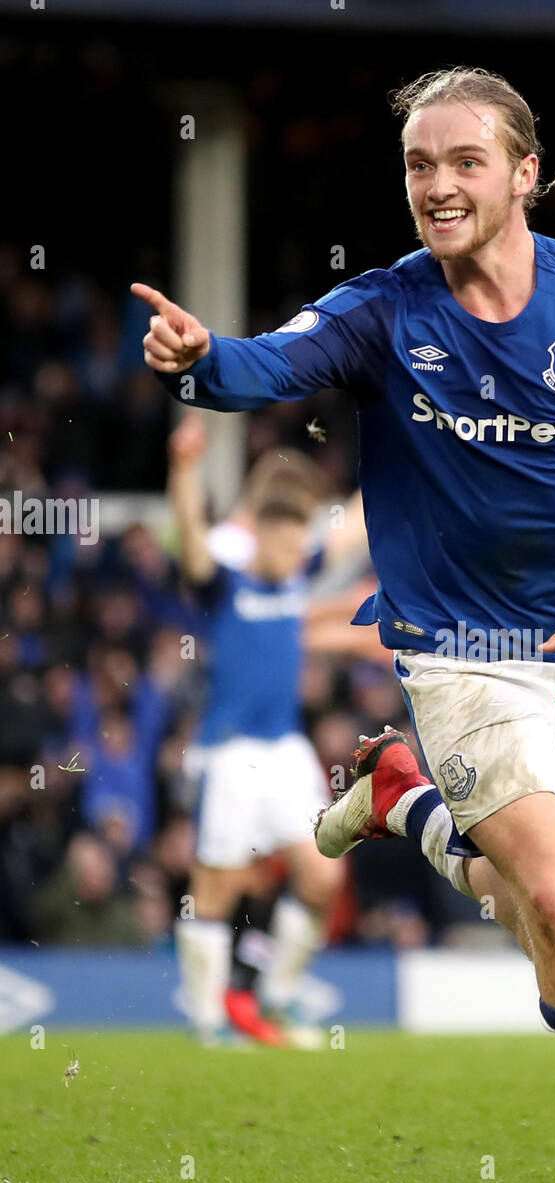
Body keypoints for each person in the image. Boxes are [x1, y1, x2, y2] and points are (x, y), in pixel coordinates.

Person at [133, 66, 555, 1183]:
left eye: (464, 160)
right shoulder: (382, 308)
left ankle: (404, 807)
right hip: (457, 653)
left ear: (525, 173)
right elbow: (270, 361)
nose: (437, 184)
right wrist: (201, 358)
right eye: (420, 165)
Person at [165, 414, 345, 1046]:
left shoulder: (295, 572)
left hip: (285, 749)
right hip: (230, 752)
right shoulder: (226, 582)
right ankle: (207, 1019)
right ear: (260, 534)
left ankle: (280, 996)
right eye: (288, 542)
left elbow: (354, 530)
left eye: (303, 545)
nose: (298, 555)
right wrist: (184, 469)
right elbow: (188, 538)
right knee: (214, 887)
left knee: (323, 874)